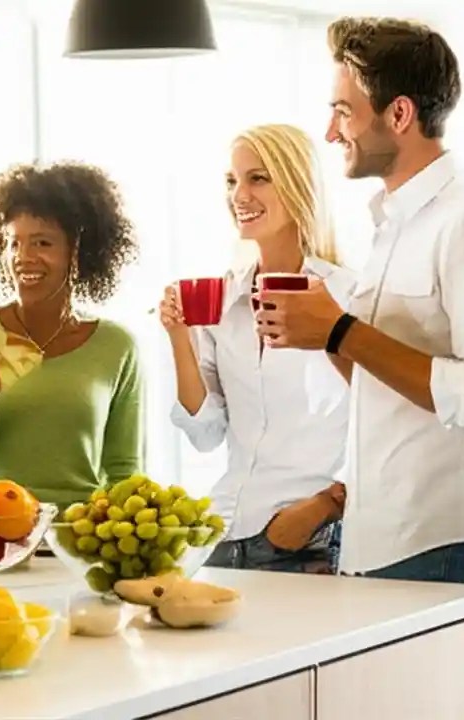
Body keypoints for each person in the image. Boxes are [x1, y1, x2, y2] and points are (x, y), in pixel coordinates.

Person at [256, 17, 464, 583]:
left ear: (398, 114)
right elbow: (392, 390)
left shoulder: (460, 221)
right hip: (378, 537)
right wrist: (324, 336)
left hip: (441, 540)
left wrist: (340, 331)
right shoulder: (389, 224)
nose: (330, 133)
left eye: (343, 112)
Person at [160, 124, 354, 574]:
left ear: (297, 183)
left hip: (308, 540)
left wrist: (325, 506)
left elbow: (385, 422)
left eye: (257, 178)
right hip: (225, 534)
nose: (239, 195)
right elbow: (205, 433)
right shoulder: (223, 300)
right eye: (231, 181)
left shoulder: (346, 294)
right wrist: (178, 335)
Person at [0, 161, 143, 508]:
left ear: (78, 252)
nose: (24, 258)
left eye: (42, 243)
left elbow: (123, 471)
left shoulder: (117, 346)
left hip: (78, 535)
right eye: (14, 244)